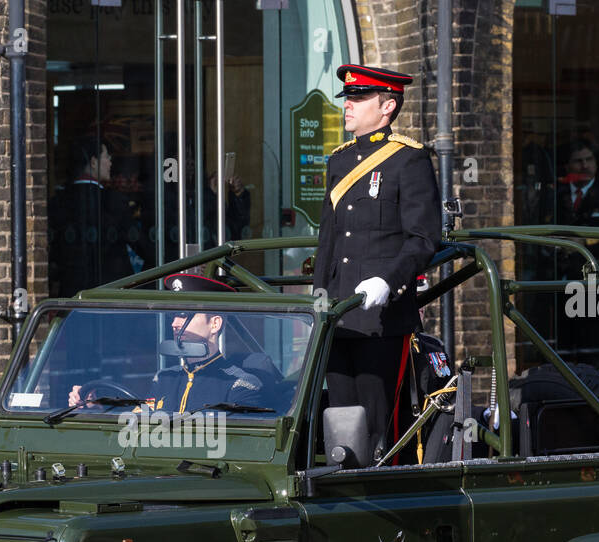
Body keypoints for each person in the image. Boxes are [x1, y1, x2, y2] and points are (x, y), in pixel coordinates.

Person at [313, 64, 441, 463]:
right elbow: (329, 240)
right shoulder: (340, 160)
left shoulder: (409, 159)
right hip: (340, 312)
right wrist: (318, 299)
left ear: (387, 106)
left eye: (358, 98)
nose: (347, 106)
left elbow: (423, 238)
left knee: (378, 423)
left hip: (381, 317)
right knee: (338, 419)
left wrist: (388, 281)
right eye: (348, 98)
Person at [67, 273, 278, 412]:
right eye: (174, 315)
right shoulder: (164, 378)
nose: (175, 323)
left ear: (215, 324)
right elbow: (137, 420)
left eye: (185, 315)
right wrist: (96, 406)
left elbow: (236, 448)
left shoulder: (240, 384)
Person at [48, 139, 136, 296]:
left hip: (70, 294)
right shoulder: (114, 202)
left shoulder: (58, 202)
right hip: (109, 294)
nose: (110, 162)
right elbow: (138, 243)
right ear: (94, 162)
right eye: (107, 157)